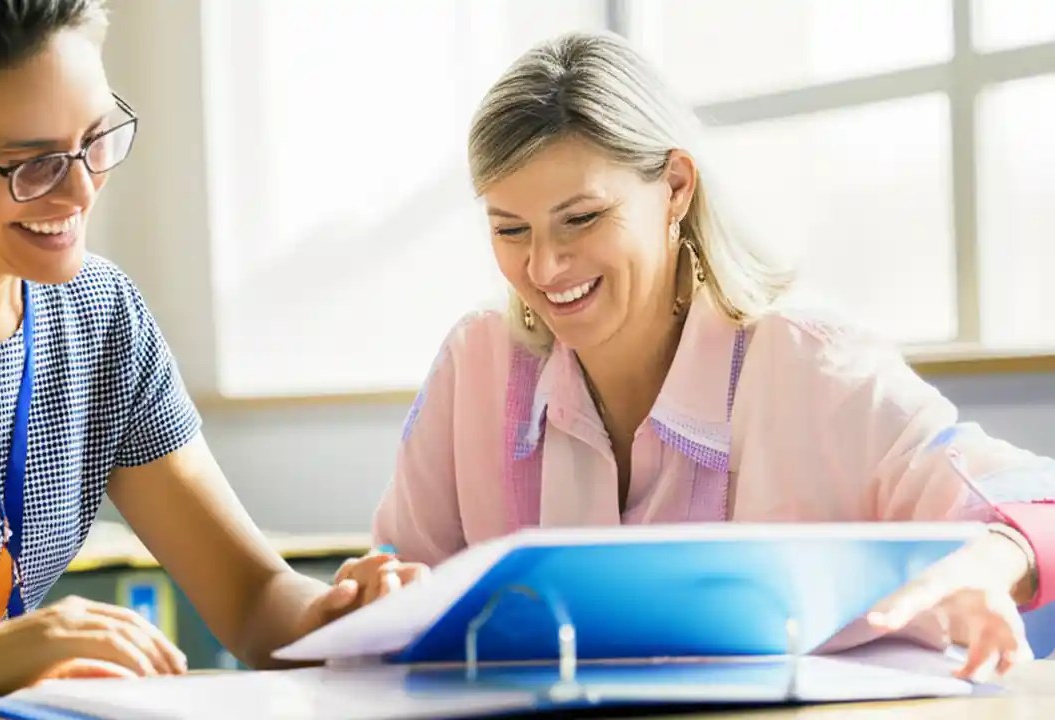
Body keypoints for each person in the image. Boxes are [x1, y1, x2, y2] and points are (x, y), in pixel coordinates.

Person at [353, 31, 1055, 681]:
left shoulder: (812, 369)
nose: (544, 265)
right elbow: (401, 579)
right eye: (510, 229)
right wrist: (377, 591)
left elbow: (1037, 504)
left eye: (582, 218)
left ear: (676, 188)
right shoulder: (477, 364)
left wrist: (992, 565)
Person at [0, 0, 393, 709]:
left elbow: (253, 601)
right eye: (31, 164)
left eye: (98, 138)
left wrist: (348, 620)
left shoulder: (98, 314)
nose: (80, 189)